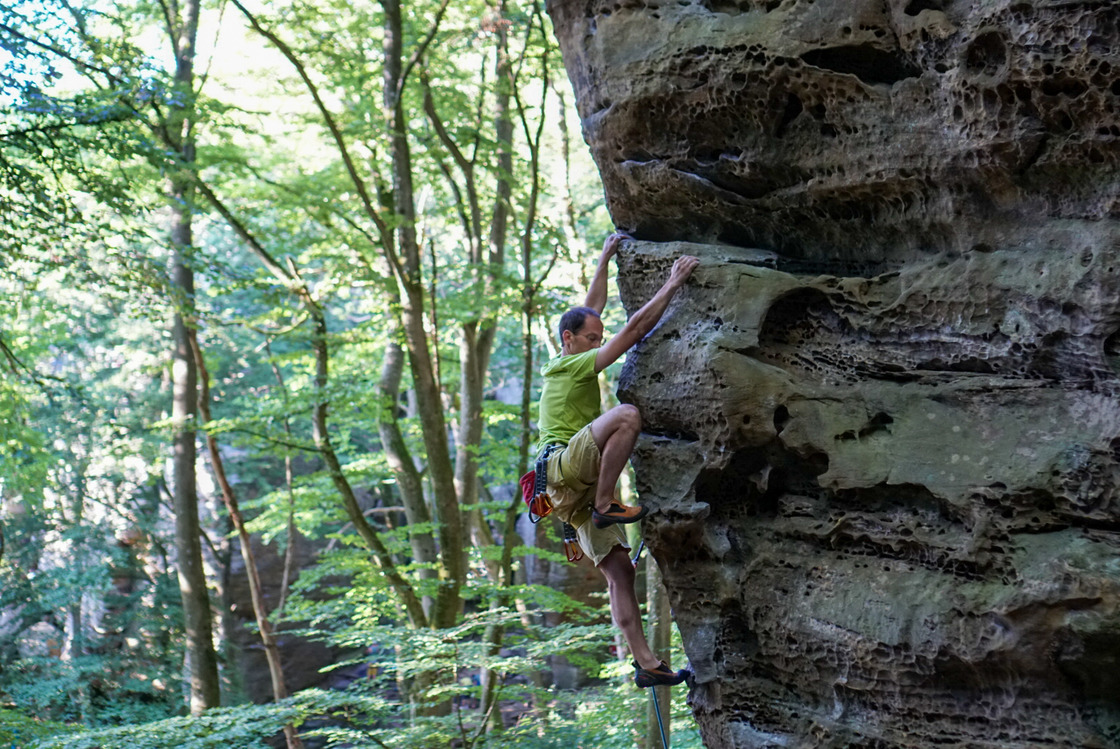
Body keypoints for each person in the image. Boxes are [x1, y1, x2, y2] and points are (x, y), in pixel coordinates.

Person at [537, 231, 699, 688]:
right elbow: (630, 334)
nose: (598, 341)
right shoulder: (570, 363)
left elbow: (595, 310)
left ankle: (646, 664)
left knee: (619, 574)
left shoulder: (566, 354)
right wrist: (671, 285)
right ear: (569, 340)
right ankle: (607, 503)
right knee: (626, 416)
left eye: (597, 337)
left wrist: (605, 257)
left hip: (567, 489)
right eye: (591, 338)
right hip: (567, 467)